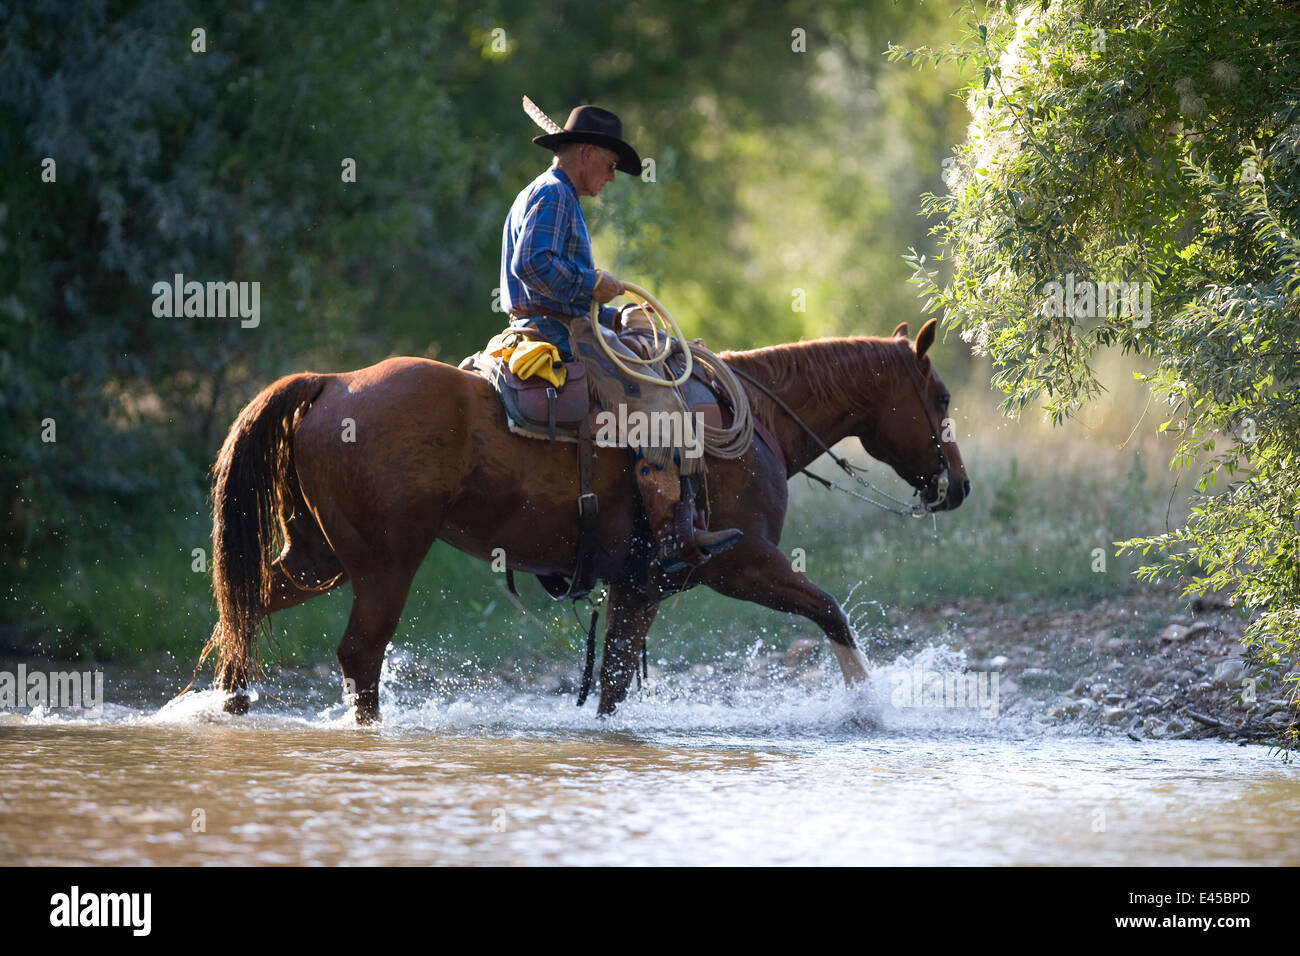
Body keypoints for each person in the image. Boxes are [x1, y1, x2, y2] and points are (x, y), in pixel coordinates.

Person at [501, 101, 741, 571]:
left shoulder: (548, 192)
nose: (610, 179)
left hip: (557, 321)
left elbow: (554, 283)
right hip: (556, 333)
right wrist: (591, 282)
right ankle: (674, 534)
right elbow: (530, 265)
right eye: (610, 167)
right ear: (588, 153)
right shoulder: (555, 195)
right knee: (658, 400)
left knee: (649, 358)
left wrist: (614, 316)